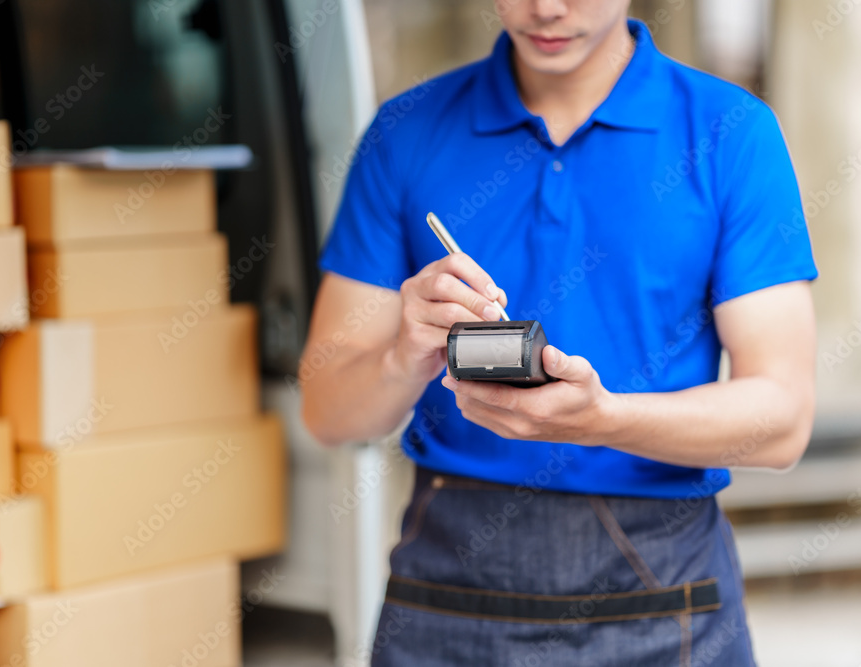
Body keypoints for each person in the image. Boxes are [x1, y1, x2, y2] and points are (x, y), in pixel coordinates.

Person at [302, 0, 817, 664]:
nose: (546, 8)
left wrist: (604, 419)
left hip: (665, 600)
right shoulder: (405, 132)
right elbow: (327, 414)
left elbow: (782, 420)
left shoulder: (732, 132)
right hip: (447, 595)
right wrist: (405, 355)